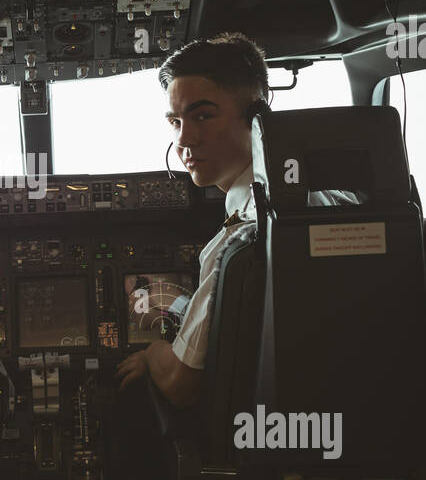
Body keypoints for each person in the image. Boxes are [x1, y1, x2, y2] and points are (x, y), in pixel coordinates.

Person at [115, 31, 354, 408]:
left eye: (203, 116)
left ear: (257, 118)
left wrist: (152, 354)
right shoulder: (345, 201)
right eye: (175, 122)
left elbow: (180, 383)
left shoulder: (240, 243)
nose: (184, 140)